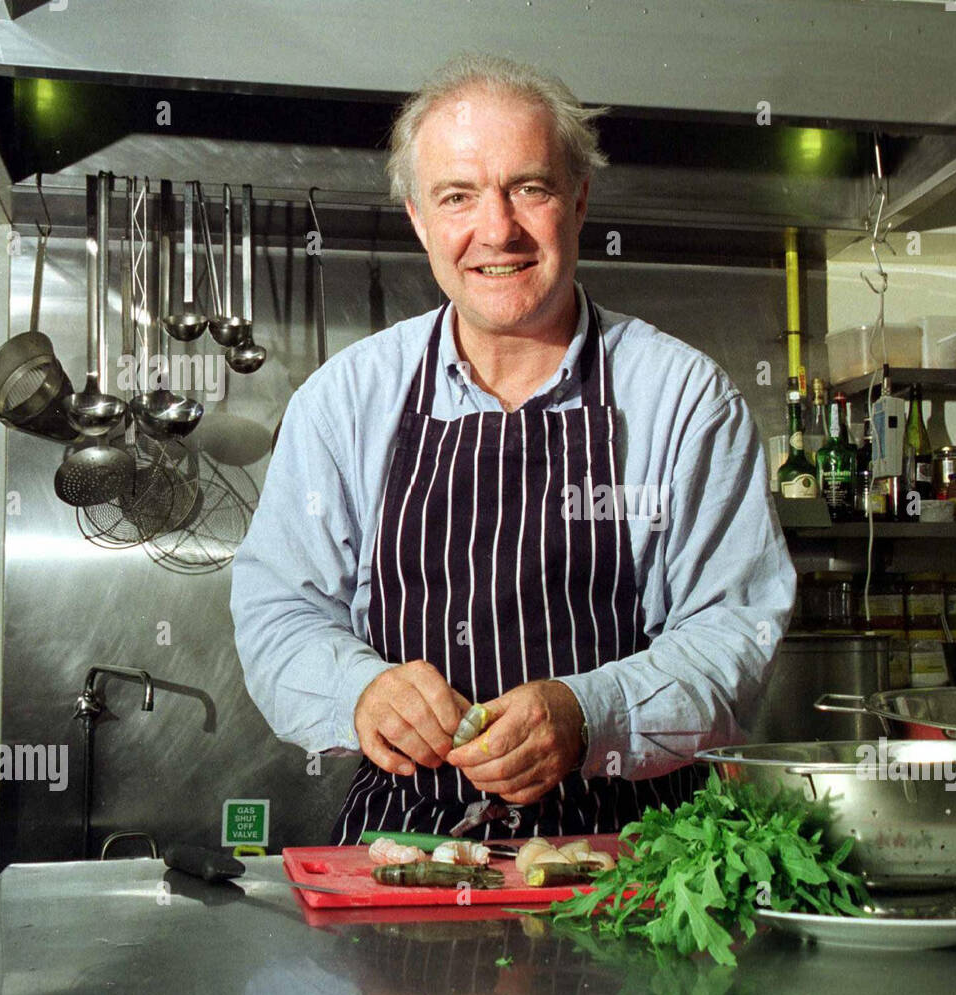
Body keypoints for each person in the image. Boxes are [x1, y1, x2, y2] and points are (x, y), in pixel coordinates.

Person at [230, 53, 795, 842]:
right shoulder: (344, 400)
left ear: (579, 199)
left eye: (529, 187)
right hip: (406, 853)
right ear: (420, 219)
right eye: (457, 196)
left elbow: (735, 632)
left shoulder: (684, 401)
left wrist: (590, 714)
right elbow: (280, 610)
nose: (496, 230)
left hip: (631, 865)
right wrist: (358, 690)